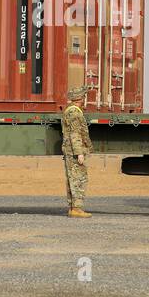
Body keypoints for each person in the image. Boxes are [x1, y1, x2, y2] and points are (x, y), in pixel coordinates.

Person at [61, 86, 93, 218]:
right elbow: (75, 134)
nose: (84, 99)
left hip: (70, 150)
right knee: (78, 178)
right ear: (79, 98)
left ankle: (72, 207)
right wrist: (79, 153)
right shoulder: (74, 113)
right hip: (74, 151)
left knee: (72, 178)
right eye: (83, 97)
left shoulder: (71, 111)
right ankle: (77, 208)